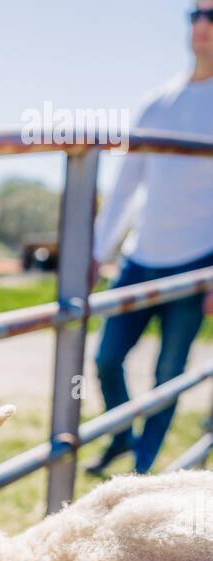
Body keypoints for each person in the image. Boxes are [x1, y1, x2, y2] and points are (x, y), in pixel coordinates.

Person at [88, 4, 213, 476]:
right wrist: (97, 252)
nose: (202, 25)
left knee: (168, 376)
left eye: (212, 16)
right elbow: (125, 186)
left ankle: (143, 470)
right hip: (139, 259)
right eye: (195, 15)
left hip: (198, 261)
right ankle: (122, 435)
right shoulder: (158, 101)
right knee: (105, 359)